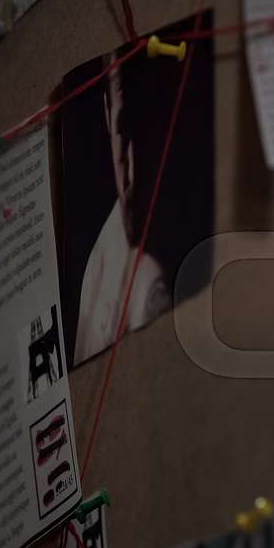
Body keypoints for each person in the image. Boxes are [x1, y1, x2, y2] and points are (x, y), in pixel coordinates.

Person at [73, 59, 169, 362]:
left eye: (144, 132)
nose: (133, 164)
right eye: (123, 128)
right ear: (106, 114)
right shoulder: (97, 265)